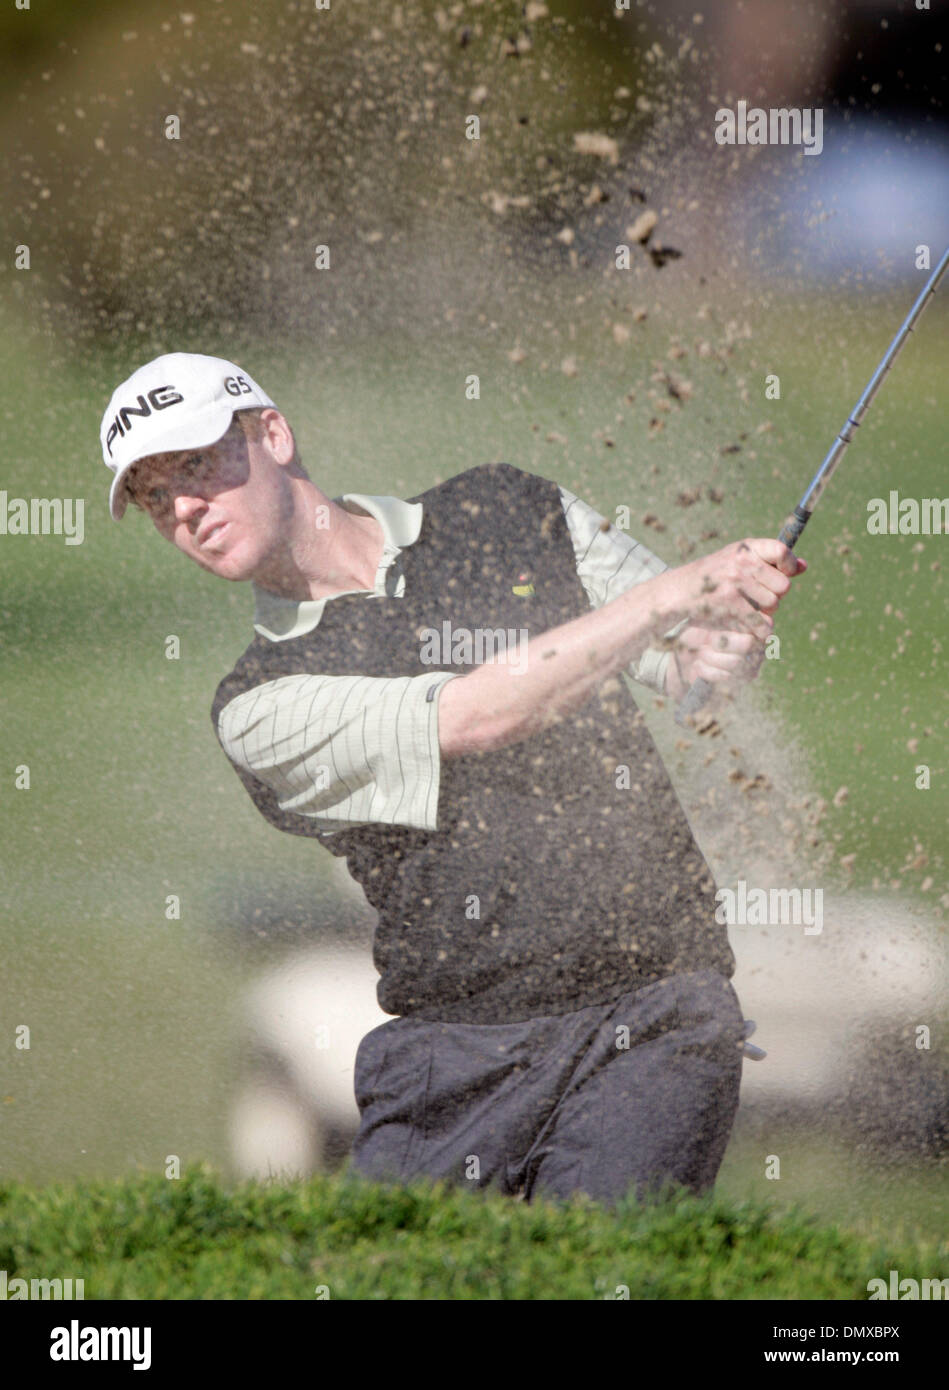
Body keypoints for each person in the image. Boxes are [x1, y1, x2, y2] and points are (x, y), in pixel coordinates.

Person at [100, 352, 806, 1207]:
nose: (183, 507)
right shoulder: (259, 707)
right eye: (151, 496)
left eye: (195, 464)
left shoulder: (510, 505)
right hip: (452, 1061)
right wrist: (676, 594)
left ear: (273, 433)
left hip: (655, 1010)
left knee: (599, 1274)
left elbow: (684, 667)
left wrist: (722, 638)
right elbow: (477, 714)